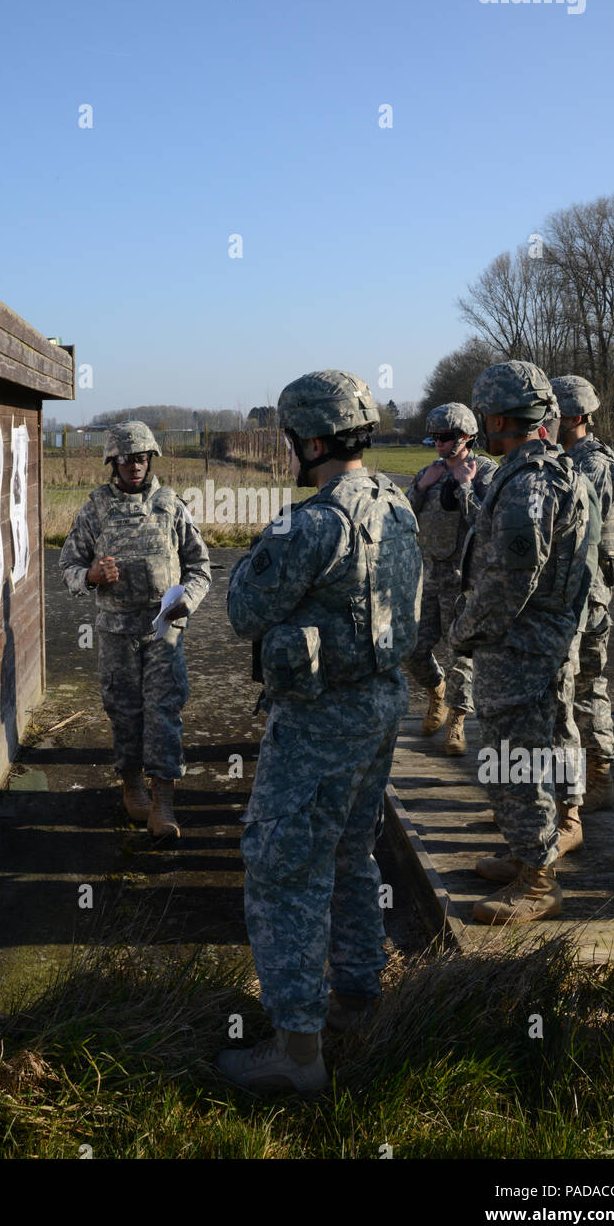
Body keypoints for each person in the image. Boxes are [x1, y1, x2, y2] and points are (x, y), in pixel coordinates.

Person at [215, 371, 422, 1092]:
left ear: (309, 440)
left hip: (318, 720)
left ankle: (296, 1053)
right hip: (380, 704)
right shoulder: (396, 503)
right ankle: (358, 1000)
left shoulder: (311, 523)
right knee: (349, 856)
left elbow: (242, 609)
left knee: (282, 871)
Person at [449, 362, 592, 923]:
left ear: (502, 417)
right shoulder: (543, 470)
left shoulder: (530, 482)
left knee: (516, 757)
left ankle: (537, 879)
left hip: (519, 646)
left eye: (487, 416)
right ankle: (525, 853)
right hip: (536, 641)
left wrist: (465, 631)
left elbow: (512, 577)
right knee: (525, 749)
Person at [59, 422, 211, 840]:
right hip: (115, 634)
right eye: (126, 459)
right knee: (125, 712)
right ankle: (132, 786)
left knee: (164, 713)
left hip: (164, 632)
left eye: (142, 458)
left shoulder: (170, 506)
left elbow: (200, 566)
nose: (135, 466)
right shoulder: (95, 509)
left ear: (151, 459)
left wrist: (189, 600)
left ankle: (164, 799)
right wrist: (90, 575)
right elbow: (67, 567)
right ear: (113, 463)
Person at [549, 376, 614, 812]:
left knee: (585, 686)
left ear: (575, 416)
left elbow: (576, 529)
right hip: (577, 589)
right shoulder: (571, 458)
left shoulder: (591, 464)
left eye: (555, 413)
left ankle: (598, 776)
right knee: (576, 685)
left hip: (588, 594)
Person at [405, 404, 496, 754]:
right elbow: (403, 518)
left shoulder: (486, 472)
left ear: (466, 437)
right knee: (411, 648)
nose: (438, 444)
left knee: (460, 656)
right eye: (434, 437)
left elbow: (488, 526)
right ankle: (436, 693)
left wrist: (465, 487)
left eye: (445, 438)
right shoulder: (428, 472)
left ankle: (456, 721)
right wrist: (419, 488)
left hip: (463, 583)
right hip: (427, 579)